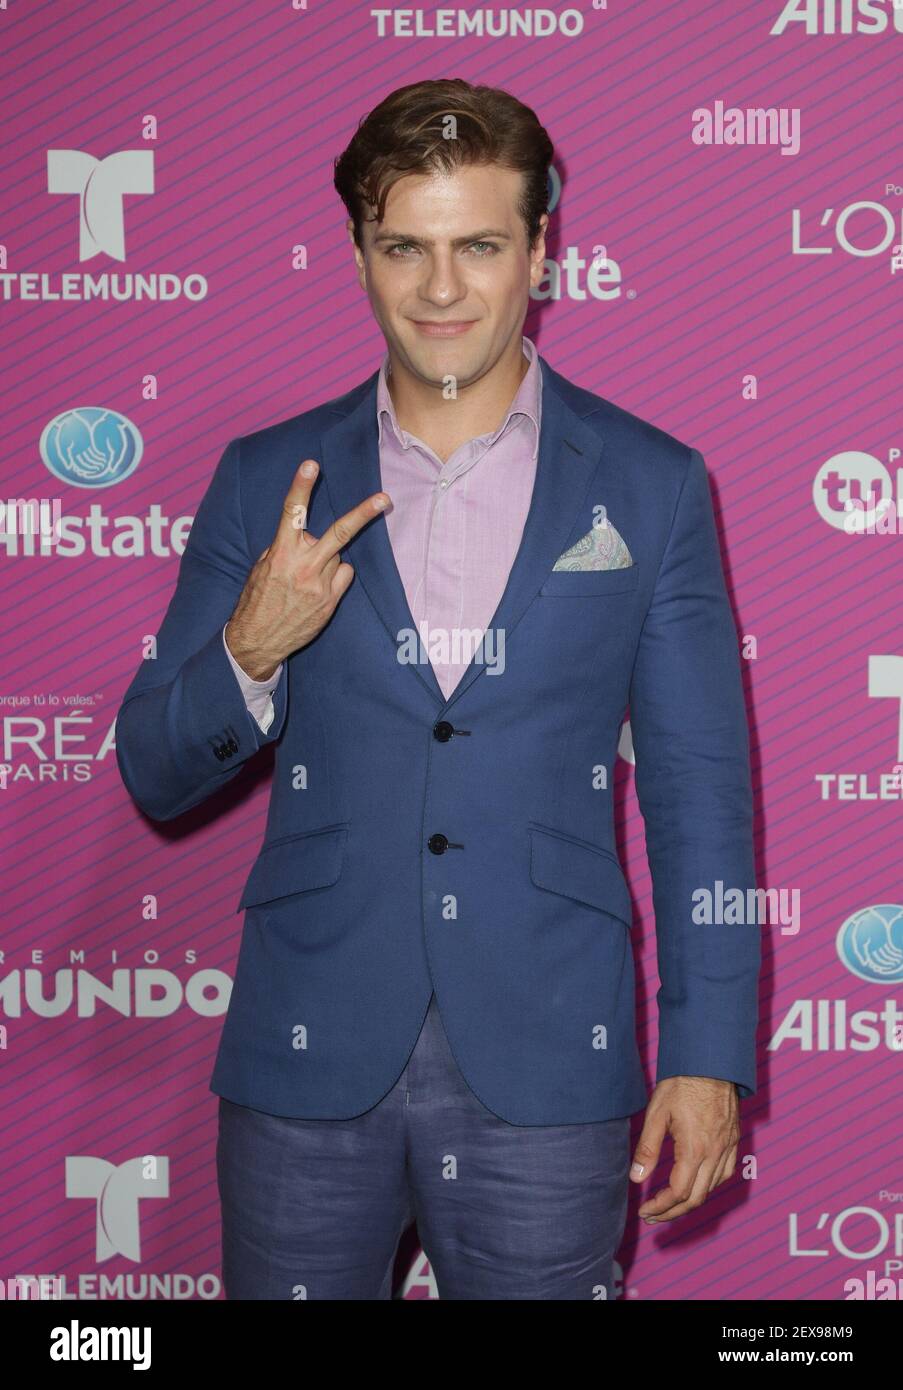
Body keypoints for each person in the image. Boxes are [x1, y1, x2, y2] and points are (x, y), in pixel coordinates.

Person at [115, 78, 760, 1301]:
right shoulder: (265, 479)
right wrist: (250, 650)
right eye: (405, 246)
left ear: (541, 255)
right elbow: (152, 765)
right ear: (360, 253)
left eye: (479, 245)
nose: (442, 288)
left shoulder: (653, 481)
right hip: (304, 1055)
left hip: (550, 1058)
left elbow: (699, 793)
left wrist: (709, 1052)